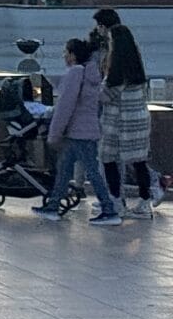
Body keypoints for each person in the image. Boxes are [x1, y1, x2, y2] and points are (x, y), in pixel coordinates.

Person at [36, 38, 124, 224]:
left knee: (91, 172)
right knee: (65, 169)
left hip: (78, 132)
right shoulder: (90, 74)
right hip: (87, 129)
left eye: (66, 52)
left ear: (73, 55)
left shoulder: (74, 74)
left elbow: (65, 106)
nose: (64, 56)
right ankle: (53, 206)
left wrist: (54, 132)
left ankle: (109, 210)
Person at [92, 10, 160, 215]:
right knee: (139, 160)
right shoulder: (135, 62)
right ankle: (144, 202)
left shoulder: (117, 67)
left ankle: (115, 202)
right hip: (138, 118)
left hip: (118, 121)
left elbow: (106, 94)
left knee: (108, 158)